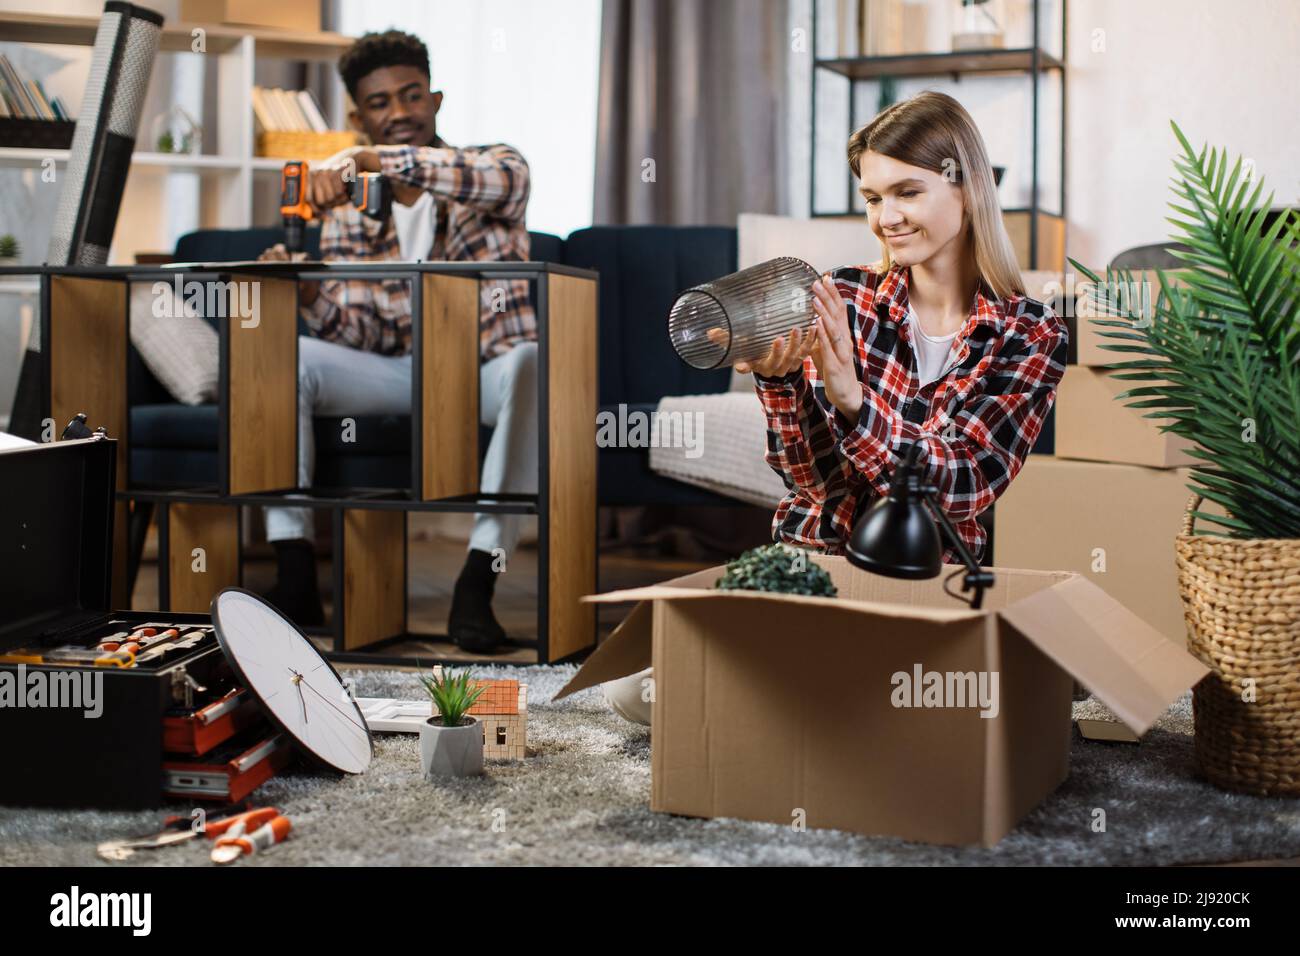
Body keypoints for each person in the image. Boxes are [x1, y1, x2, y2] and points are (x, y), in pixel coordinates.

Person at [604, 90, 1068, 724]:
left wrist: (853, 400)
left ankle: (806, 702)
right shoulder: (843, 297)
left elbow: (960, 487)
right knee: (631, 692)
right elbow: (811, 486)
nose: (887, 218)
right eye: (874, 198)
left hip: (921, 580)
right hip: (814, 565)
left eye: (908, 192)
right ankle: (815, 700)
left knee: (1021, 681)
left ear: (967, 189)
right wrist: (781, 384)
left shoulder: (1029, 331)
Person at [258, 30, 536, 654]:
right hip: (399, 373)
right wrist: (307, 295)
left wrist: (371, 159)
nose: (400, 112)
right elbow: (369, 334)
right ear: (360, 116)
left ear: (435, 100)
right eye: (381, 103)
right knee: (286, 355)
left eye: (412, 96)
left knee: (532, 361)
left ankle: (477, 584)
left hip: (481, 373)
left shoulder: (491, 166)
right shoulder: (348, 211)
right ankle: (295, 571)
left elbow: (505, 180)